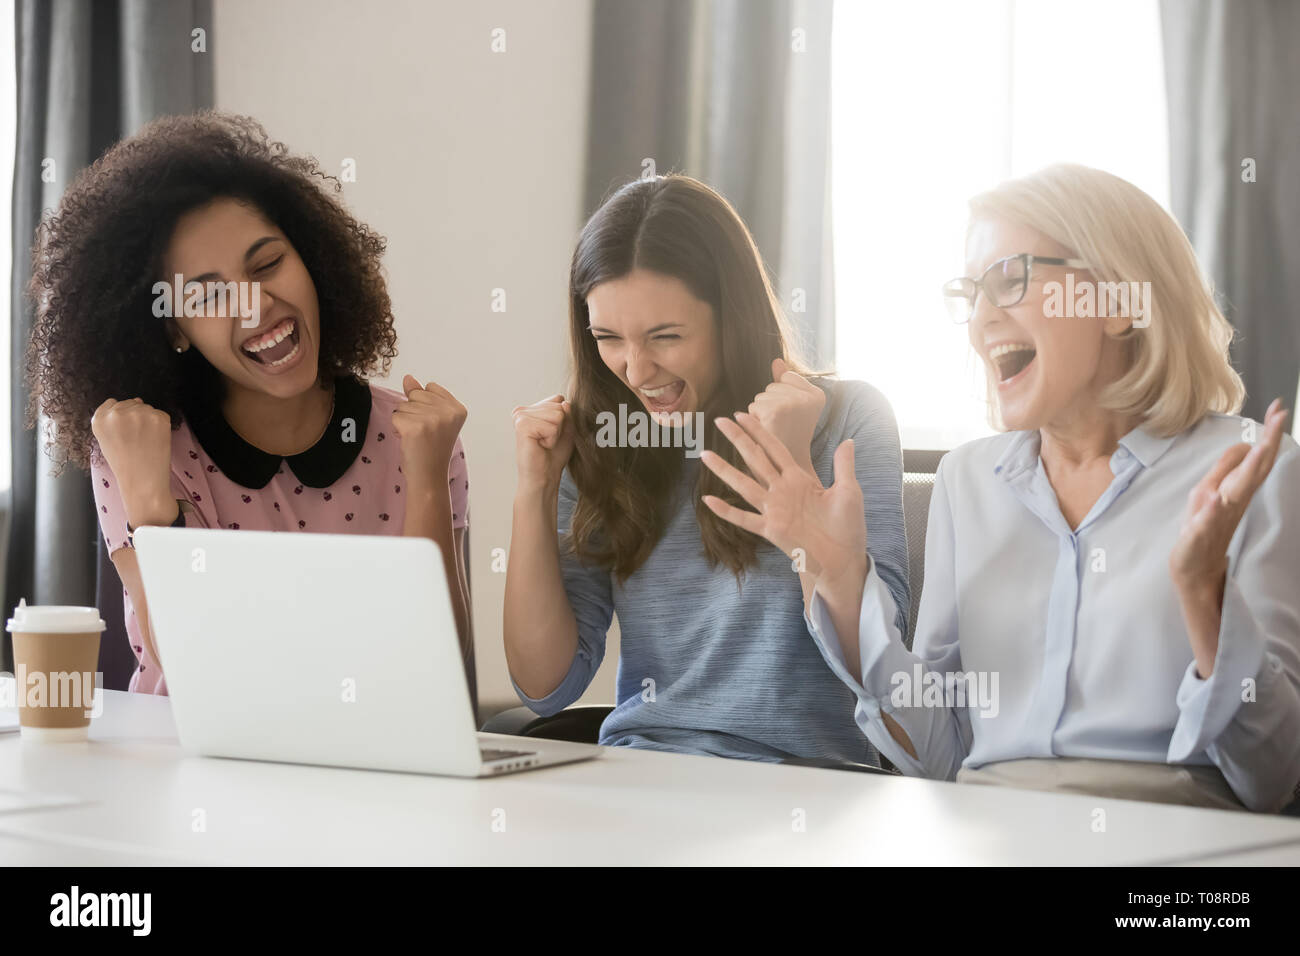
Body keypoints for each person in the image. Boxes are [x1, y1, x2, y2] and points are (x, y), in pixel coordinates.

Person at [705, 164, 1299, 811]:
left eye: (1010, 279)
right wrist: (843, 584)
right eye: (972, 292)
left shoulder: (1248, 471)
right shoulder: (968, 480)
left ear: (1121, 302)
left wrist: (1203, 593)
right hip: (989, 830)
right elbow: (942, 754)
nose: (982, 319)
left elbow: (1271, 779)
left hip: (1170, 842)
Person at [26, 112, 474, 710]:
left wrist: (426, 480)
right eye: (209, 295)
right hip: (187, 775)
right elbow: (190, 668)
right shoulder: (142, 452)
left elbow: (443, 675)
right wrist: (149, 500)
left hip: (376, 772)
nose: (258, 305)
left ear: (313, 262)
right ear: (174, 330)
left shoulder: (417, 435)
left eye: (267, 265)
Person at [504, 174, 909, 764]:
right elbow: (544, 688)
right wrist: (534, 492)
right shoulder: (600, 440)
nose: (636, 370)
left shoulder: (846, 420)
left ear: (732, 316)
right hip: (642, 774)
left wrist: (790, 468)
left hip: (808, 788)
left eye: (665, 336)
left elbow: (884, 679)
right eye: (607, 338)